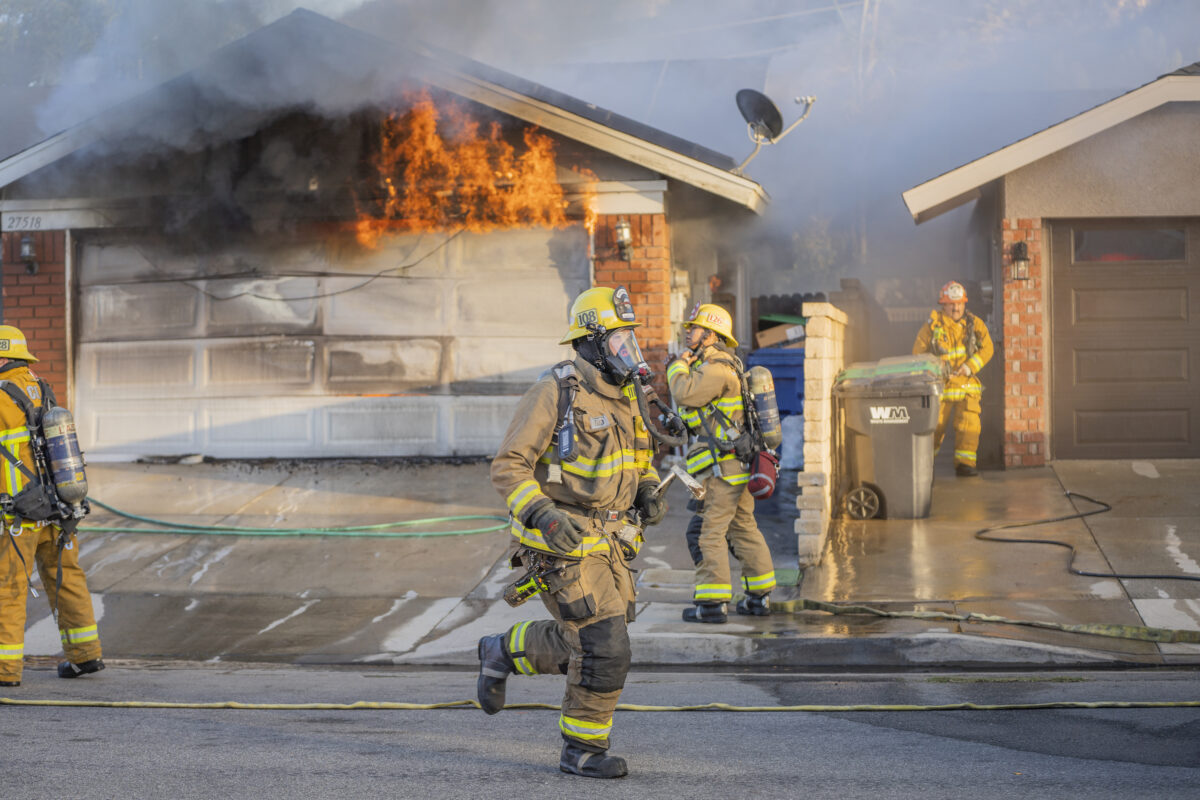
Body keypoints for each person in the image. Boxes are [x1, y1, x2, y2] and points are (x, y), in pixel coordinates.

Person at [477, 286, 666, 779]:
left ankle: (500, 650)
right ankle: (581, 749)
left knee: (591, 639)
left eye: (631, 342)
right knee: (604, 647)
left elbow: (642, 454)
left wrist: (646, 488)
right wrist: (543, 514)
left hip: (611, 544)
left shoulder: (627, 395)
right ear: (589, 342)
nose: (630, 353)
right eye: (619, 342)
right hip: (560, 543)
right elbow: (508, 466)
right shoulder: (553, 392)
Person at [0, 325, 104, 687]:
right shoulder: (42, 389)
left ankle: (5, 671)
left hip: (18, 515)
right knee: (67, 579)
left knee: (9, 587)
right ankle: (85, 656)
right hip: (57, 509)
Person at [666, 304, 775, 624]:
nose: (688, 331)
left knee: (710, 533)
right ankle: (759, 598)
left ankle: (712, 604)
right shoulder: (721, 367)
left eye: (695, 328)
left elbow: (684, 394)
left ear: (711, 335)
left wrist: (676, 367)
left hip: (722, 472)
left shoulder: (714, 369)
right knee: (743, 529)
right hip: (734, 468)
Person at [912, 281, 995, 477]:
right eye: (951, 304)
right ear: (943, 305)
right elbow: (918, 354)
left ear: (965, 304)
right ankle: (924, 467)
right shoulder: (932, 327)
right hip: (940, 387)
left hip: (965, 385)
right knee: (934, 427)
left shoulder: (975, 324)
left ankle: (965, 464)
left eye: (959, 304)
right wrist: (937, 368)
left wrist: (970, 366)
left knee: (969, 424)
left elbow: (988, 348)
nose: (956, 308)